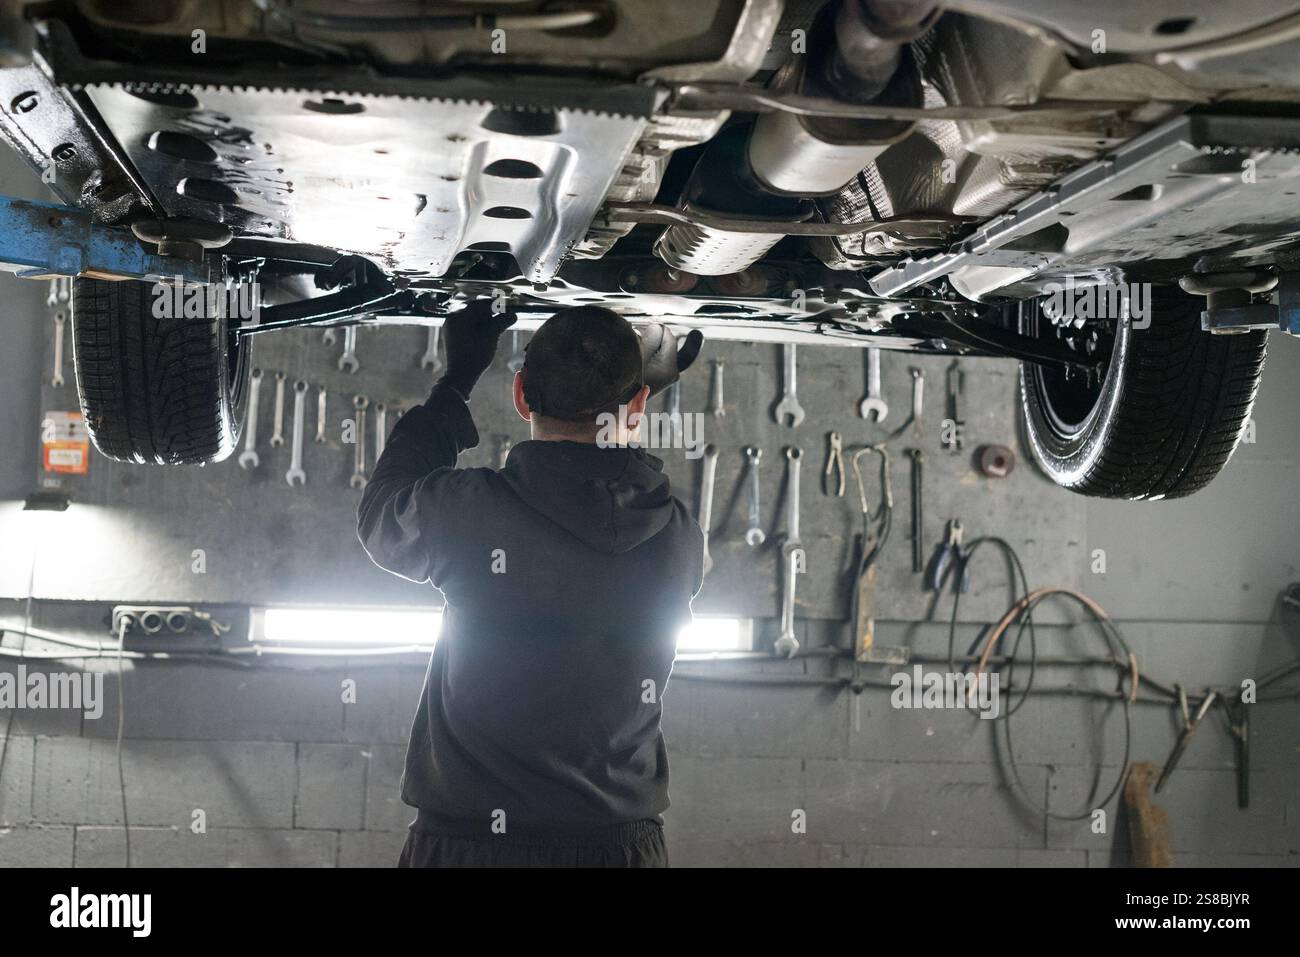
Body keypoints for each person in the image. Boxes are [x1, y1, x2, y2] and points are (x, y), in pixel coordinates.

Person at [358, 299, 704, 867]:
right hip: (617, 850)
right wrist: (627, 401)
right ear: (637, 407)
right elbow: (607, 493)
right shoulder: (679, 536)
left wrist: (457, 379)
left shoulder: (471, 512)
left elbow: (383, 513)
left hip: (470, 848)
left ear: (520, 395)